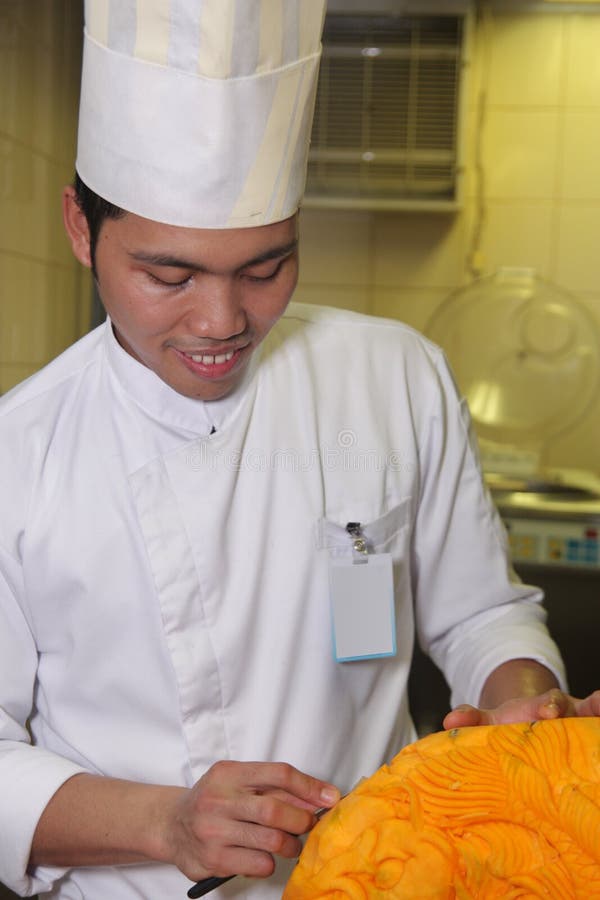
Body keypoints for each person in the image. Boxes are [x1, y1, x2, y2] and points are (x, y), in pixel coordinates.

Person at [0, 2, 598, 899]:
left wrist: (524, 703)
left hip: (392, 879)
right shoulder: (20, 452)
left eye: (267, 267)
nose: (222, 322)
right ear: (82, 231)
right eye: (170, 275)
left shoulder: (391, 374)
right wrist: (165, 821)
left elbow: (479, 616)